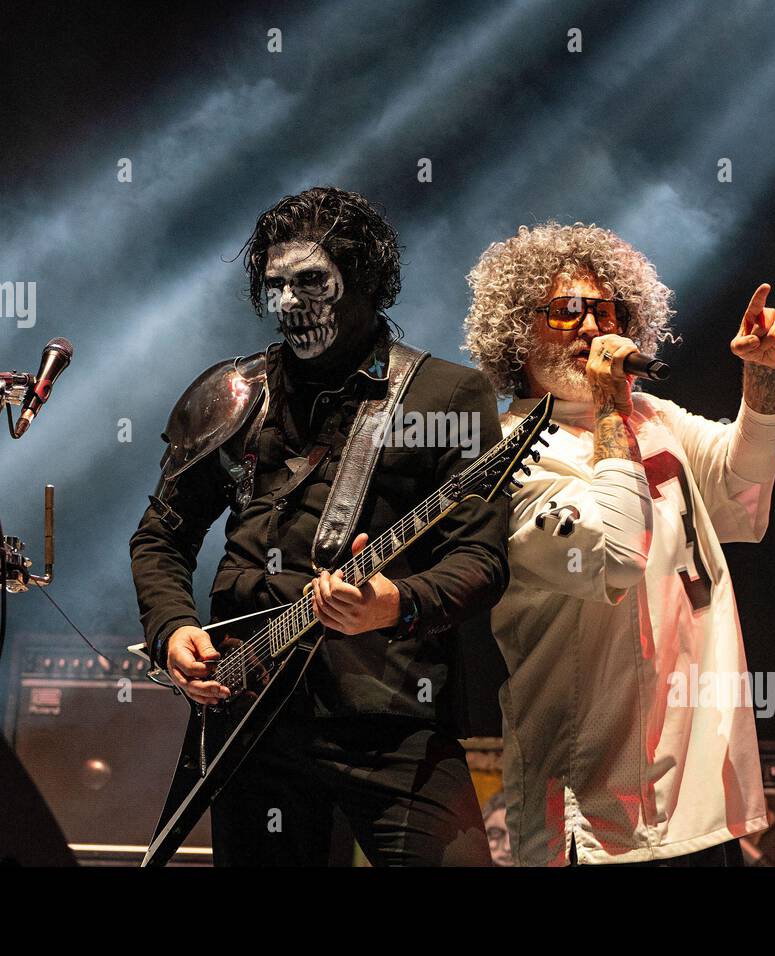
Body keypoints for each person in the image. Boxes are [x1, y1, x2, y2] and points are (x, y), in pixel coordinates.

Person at [130, 187, 509, 865]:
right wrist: (172, 629)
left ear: (362, 280)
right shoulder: (235, 394)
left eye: (310, 283)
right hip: (251, 723)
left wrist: (395, 603)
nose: (288, 305)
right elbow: (161, 534)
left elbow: (480, 560)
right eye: (275, 286)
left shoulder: (446, 395)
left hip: (391, 722)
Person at [463, 221, 775, 866]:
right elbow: (611, 555)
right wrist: (612, 408)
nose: (590, 329)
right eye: (565, 312)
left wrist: (763, 377)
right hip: (595, 801)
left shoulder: (657, 418)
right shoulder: (504, 458)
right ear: (515, 331)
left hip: (699, 791)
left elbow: (742, 489)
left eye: (603, 311)